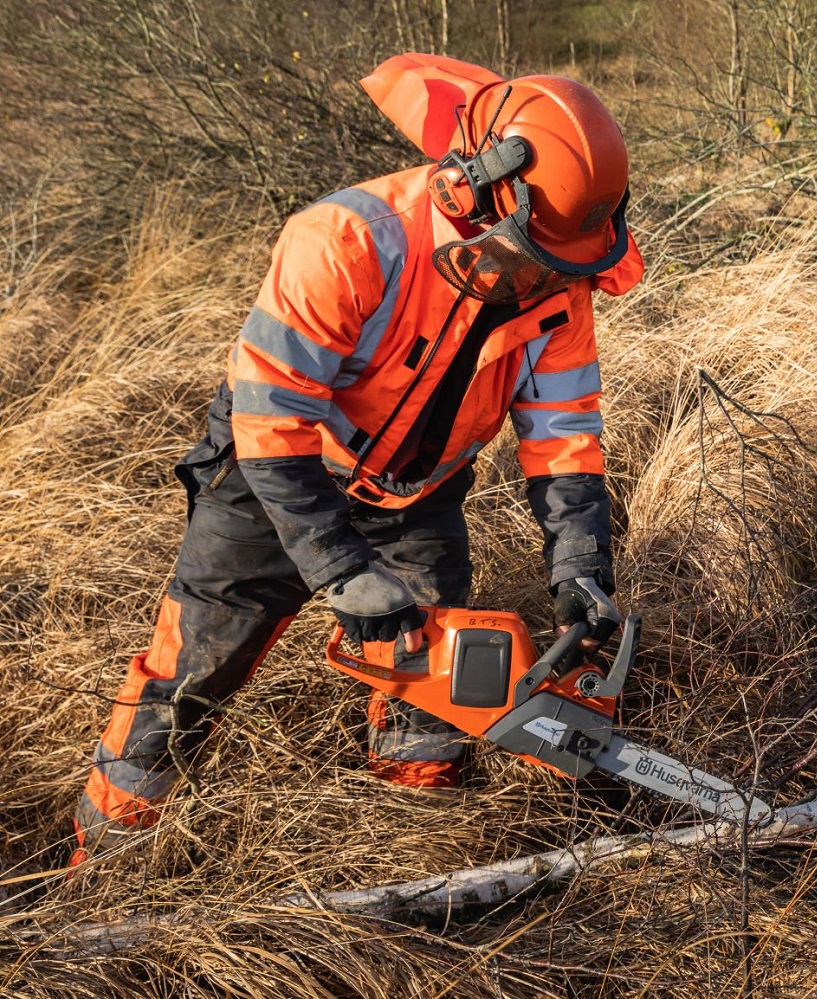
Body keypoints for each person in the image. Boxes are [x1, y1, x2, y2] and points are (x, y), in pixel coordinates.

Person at [69, 53, 644, 866]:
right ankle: (103, 859)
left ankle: (413, 855)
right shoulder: (345, 240)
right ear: (479, 192)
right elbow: (272, 420)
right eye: (535, 256)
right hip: (280, 480)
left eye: (564, 264)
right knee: (187, 676)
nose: (545, 280)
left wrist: (580, 571)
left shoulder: (561, 281)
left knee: (437, 685)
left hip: (422, 489)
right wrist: (340, 568)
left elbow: (564, 436)